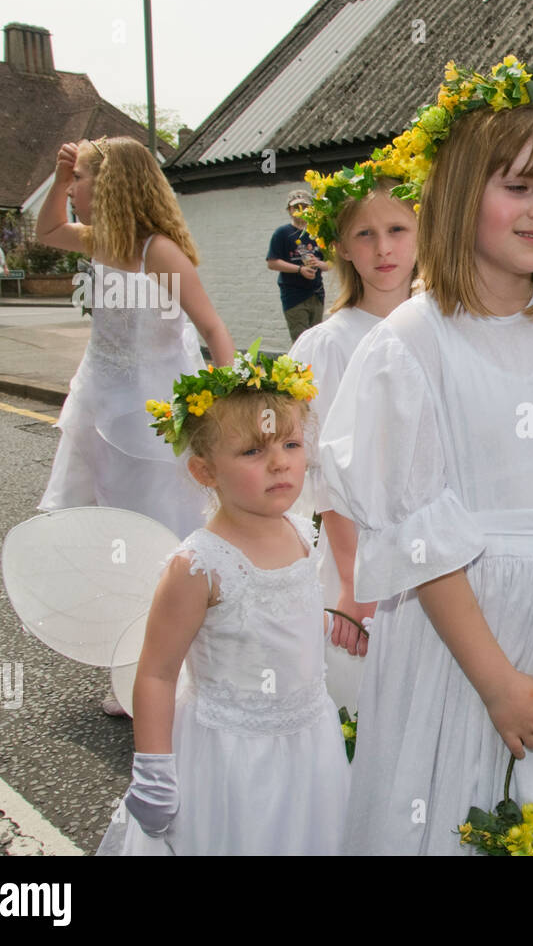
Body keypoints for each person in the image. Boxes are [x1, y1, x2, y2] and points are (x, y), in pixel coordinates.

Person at [320, 56, 533, 855]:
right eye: (517, 186)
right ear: (456, 193)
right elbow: (420, 535)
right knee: (464, 814)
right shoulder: (412, 343)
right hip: (466, 650)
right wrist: (498, 684)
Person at [98, 347, 350, 854]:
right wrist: (153, 766)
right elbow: (157, 672)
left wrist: (327, 624)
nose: (280, 462)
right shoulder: (198, 567)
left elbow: (283, 617)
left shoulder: (304, 535)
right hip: (231, 756)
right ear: (205, 472)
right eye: (253, 452)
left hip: (308, 739)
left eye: (292, 443)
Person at [36, 137, 235, 541]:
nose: (72, 189)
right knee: (95, 505)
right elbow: (49, 230)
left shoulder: (159, 252)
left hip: (148, 404)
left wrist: (231, 402)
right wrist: (57, 181)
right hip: (97, 394)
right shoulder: (98, 240)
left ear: (109, 183)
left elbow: (212, 327)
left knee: (148, 508)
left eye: (78, 179)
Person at [289, 169, 418, 710]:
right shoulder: (329, 345)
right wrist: (352, 583)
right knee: (366, 706)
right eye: (365, 234)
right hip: (361, 559)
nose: (383, 249)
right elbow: (328, 475)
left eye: (397, 230)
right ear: (340, 245)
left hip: (444, 554)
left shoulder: (446, 328)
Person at [266, 189, 331, 341]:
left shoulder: (317, 232)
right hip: (293, 295)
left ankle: (315, 365)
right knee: (301, 340)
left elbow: (332, 264)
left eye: (304, 206)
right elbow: (272, 262)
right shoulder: (282, 233)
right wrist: (299, 269)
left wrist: (319, 263)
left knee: (316, 339)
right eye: (296, 207)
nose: (300, 210)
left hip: (316, 293)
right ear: (289, 209)